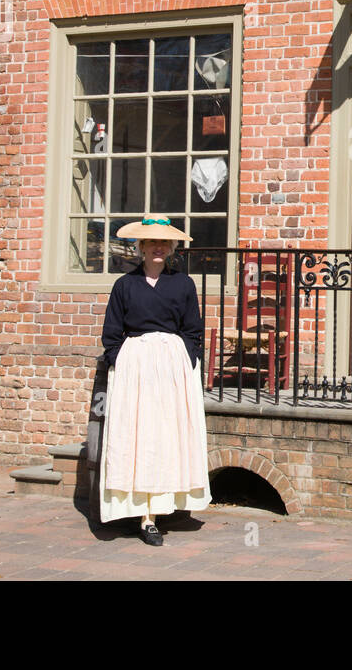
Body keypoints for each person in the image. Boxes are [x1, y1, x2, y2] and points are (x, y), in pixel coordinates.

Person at [97, 214, 211, 545]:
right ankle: (140, 513)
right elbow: (111, 334)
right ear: (141, 248)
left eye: (164, 242)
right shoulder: (125, 286)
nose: (157, 248)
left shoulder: (183, 284)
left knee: (166, 433)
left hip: (173, 368)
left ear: (172, 248)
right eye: (151, 243)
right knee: (138, 433)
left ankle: (160, 510)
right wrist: (122, 359)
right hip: (135, 367)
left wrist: (185, 357)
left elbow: (193, 329)